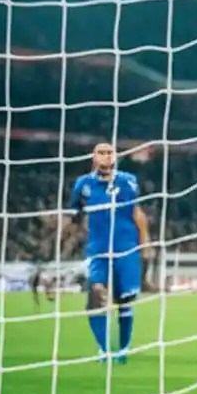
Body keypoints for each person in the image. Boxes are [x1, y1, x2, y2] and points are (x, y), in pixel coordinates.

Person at [64, 143, 153, 363]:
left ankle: (122, 350)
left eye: (109, 152)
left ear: (115, 157)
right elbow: (74, 217)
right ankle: (103, 349)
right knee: (96, 297)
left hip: (126, 248)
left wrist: (145, 242)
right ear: (93, 157)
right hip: (98, 250)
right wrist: (62, 241)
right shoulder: (83, 184)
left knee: (125, 300)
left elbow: (137, 213)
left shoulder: (128, 181)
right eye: (101, 152)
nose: (105, 156)